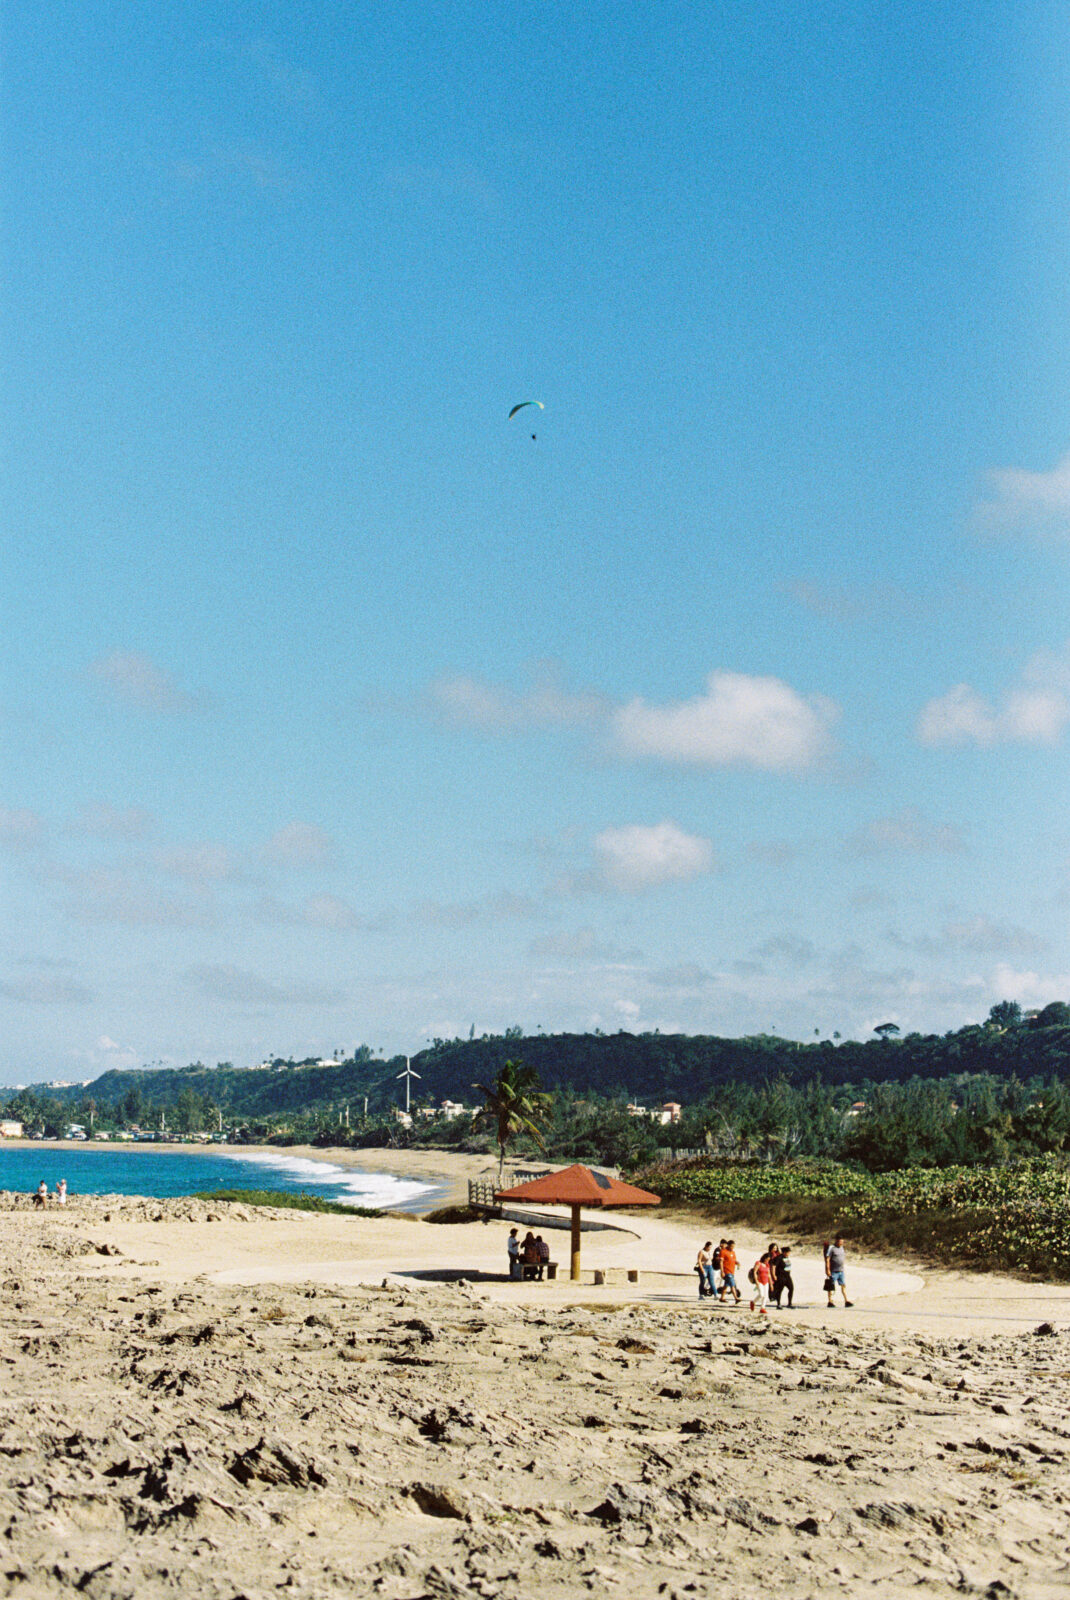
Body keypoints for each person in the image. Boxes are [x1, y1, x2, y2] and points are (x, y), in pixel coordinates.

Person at [824, 1234, 853, 1308]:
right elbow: (827, 1259)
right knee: (831, 1286)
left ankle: (846, 1300)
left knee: (843, 1285)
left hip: (841, 1271)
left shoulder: (842, 1248)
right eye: (840, 1241)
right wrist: (827, 1270)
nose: (841, 1243)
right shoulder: (832, 1248)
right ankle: (830, 1301)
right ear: (837, 1241)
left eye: (842, 1241)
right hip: (833, 1271)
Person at [772, 1244, 794, 1308]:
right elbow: (774, 1266)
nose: (788, 1253)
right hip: (781, 1276)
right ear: (784, 1252)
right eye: (788, 1252)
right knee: (780, 1290)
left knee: (791, 1288)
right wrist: (774, 1275)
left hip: (787, 1276)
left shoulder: (786, 1258)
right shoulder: (779, 1258)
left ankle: (790, 1303)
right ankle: (778, 1304)